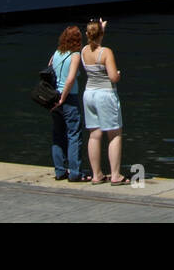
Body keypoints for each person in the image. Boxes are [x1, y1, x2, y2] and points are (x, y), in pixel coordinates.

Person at [81, 19, 125, 185]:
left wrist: (100, 29)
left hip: (89, 94)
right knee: (114, 134)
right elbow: (113, 77)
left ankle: (96, 174)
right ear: (102, 35)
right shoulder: (106, 52)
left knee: (94, 134)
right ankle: (115, 175)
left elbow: (93, 41)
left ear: (87, 34)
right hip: (105, 94)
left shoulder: (84, 50)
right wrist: (119, 75)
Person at [50, 26, 88, 181]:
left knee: (58, 135)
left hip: (53, 97)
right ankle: (75, 172)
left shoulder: (56, 53)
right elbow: (71, 78)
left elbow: (49, 70)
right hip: (68, 98)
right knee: (74, 135)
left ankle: (59, 171)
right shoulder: (75, 55)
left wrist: (56, 97)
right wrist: (63, 97)